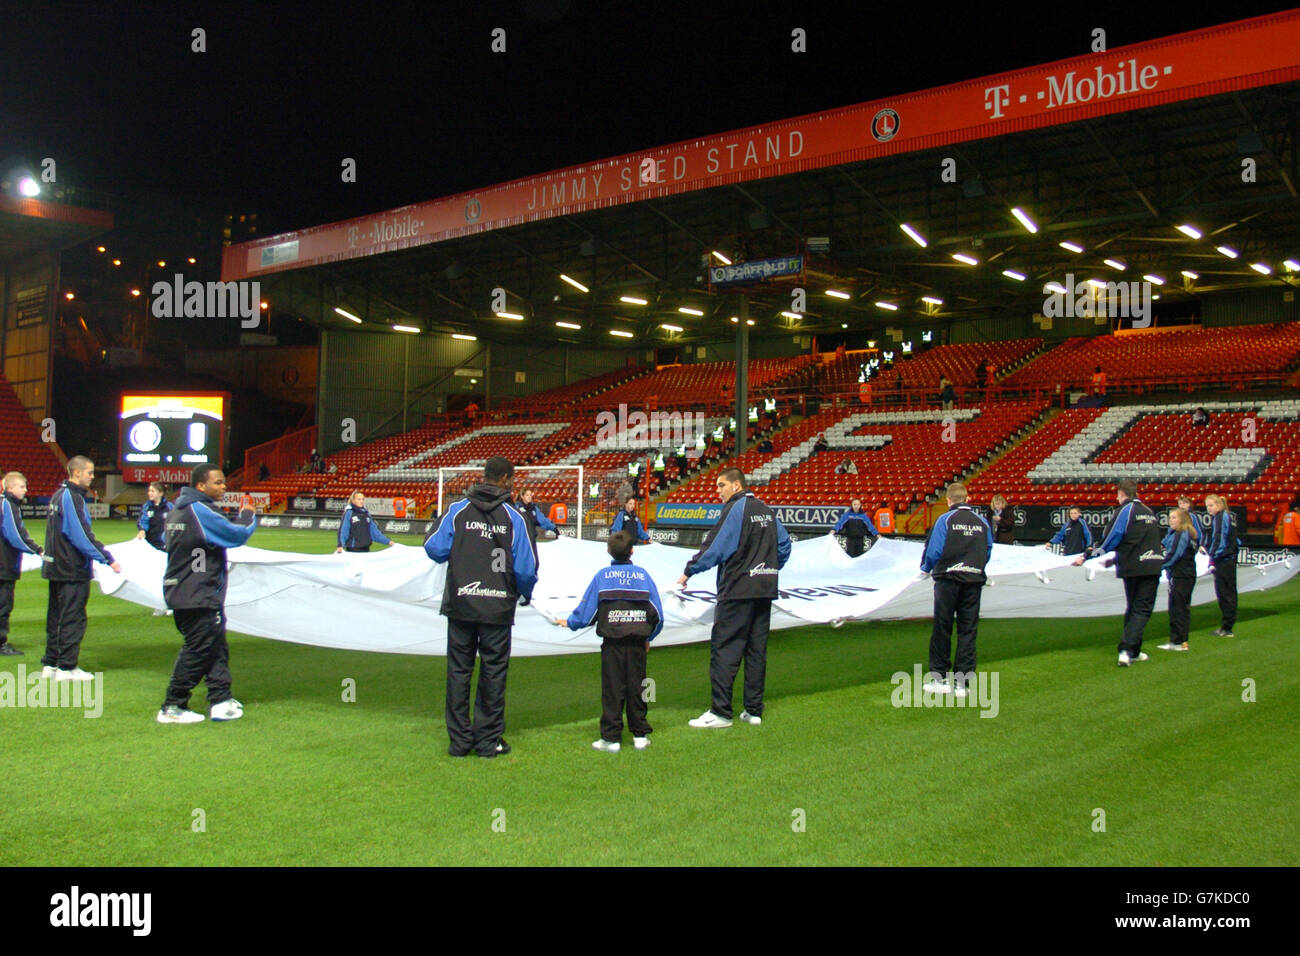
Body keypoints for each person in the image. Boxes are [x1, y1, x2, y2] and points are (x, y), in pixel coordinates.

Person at [424, 457, 537, 758]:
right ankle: (488, 741)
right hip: (497, 608)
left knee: (458, 671)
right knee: (493, 672)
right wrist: (523, 594)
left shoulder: (458, 510)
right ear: (506, 480)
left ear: (484, 477)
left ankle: (459, 741)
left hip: (461, 603)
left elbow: (434, 548)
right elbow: (527, 569)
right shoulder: (514, 517)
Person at [678, 468, 791, 728]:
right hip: (764, 590)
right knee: (755, 651)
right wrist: (768, 569)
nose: (718, 491)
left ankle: (720, 712)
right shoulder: (767, 509)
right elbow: (784, 546)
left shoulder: (736, 509)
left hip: (738, 590)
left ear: (736, 486)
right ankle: (753, 711)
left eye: (721, 486)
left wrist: (689, 571)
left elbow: (716, 546)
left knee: (725, 648)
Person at [156, 464, 258, 724]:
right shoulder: (199, 510)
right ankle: (173, 704)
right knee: (199, 649)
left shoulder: (177, 509)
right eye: (218, 483)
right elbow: (237, 534)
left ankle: (220, 700)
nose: (224, 487)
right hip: (197, 592)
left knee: (215, 646)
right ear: (201, 486)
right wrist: (247, 515)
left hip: (183, 589)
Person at [558, 529, 664, 753]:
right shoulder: (643, 576)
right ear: (632, 551)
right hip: (637, 644)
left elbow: (585, 613)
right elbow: (658, 614)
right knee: (639, 687)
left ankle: (611, 738)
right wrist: (648, 638)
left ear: (608, 551)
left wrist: (570, 622)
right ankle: (640, 734)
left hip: (612, 644)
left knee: (612, 689)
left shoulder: (602, 577)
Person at [41, 456, 122, 681]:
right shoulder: (72, 497)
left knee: (56, 617)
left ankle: (51, 663)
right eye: (89, 472)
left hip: (57, 566)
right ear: (77, 473)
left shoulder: (59, 494)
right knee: (72, 618)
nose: (93, 476)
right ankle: (67, 667)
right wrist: (106, 558)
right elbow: (79, 534)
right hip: (71, 568)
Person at [1074, 479, 1164, 666]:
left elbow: (1112, 538)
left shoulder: (1125, 510)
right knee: (1142, 609)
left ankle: (1132, 651)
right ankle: (1127, 649)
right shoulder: (1149, 512)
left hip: (1132, 566)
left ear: (1122, 493)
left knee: (1134, 608)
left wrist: (1088, 556)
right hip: (1152, 565)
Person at [919, 482, 992, 696]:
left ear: (949, 500)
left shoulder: (945, 520)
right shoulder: (981, 522)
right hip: (973, 580)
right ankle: (962, 684)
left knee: (942, 628)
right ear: (967, 499)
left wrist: (925, 568)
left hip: (948, 580)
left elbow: (935, 549)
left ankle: (940, 679)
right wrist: (976, 566)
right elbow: (988, 548)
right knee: (968, 630)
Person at [0, 472, 43, 656]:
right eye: (21, 486)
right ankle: (1, 644)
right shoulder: (7, 504)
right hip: (3, 565)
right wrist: (37, 549)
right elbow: (15, 535)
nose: (25, 490)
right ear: (10, 488)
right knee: (3, 605)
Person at [1157, 508, 1198, 652]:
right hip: (1185, 574)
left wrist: (1159, 567)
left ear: (1182, 519)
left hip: (1181, 575)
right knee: (1180, 608)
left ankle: (1178, 642)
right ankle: (1180, 641)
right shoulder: (1185, 533)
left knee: (1178, 608)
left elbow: (1175, 554)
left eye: (1174, 517)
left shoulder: (1182, 534)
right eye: (1170, 517)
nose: (1171, 520)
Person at [1202, 494, 1240, 637]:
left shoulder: (1221, 517)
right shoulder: (1228, 516)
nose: (1209, 509)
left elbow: (1219, 538)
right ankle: (1227, 625)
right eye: (1207, 506)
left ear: (1218, 505)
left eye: (1211, 505)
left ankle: (1227, 627)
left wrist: (1212, 556)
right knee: (1228, 592)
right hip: (1228, 558)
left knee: (1225, 593)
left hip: (1224, 559)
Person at [514, 488, 557, 580]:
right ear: (522, 496)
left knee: (534, 563)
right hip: (520, 541)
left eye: (530, 495)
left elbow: (543, 520)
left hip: (531, 540)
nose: (529, 497)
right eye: (527, 495)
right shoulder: (516, 508)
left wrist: (553, 528)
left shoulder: (534, 509)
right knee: (519, 564)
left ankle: (530, 585)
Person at [136, 482, 173, 551]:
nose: (149, 493)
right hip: (150, 544)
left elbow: (175, 521)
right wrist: (142, 530)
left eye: (152, 491)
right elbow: (143, 520)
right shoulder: (146, 507)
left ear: (161, 493)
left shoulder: (170, 507)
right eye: (149, 491)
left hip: (165, 544)